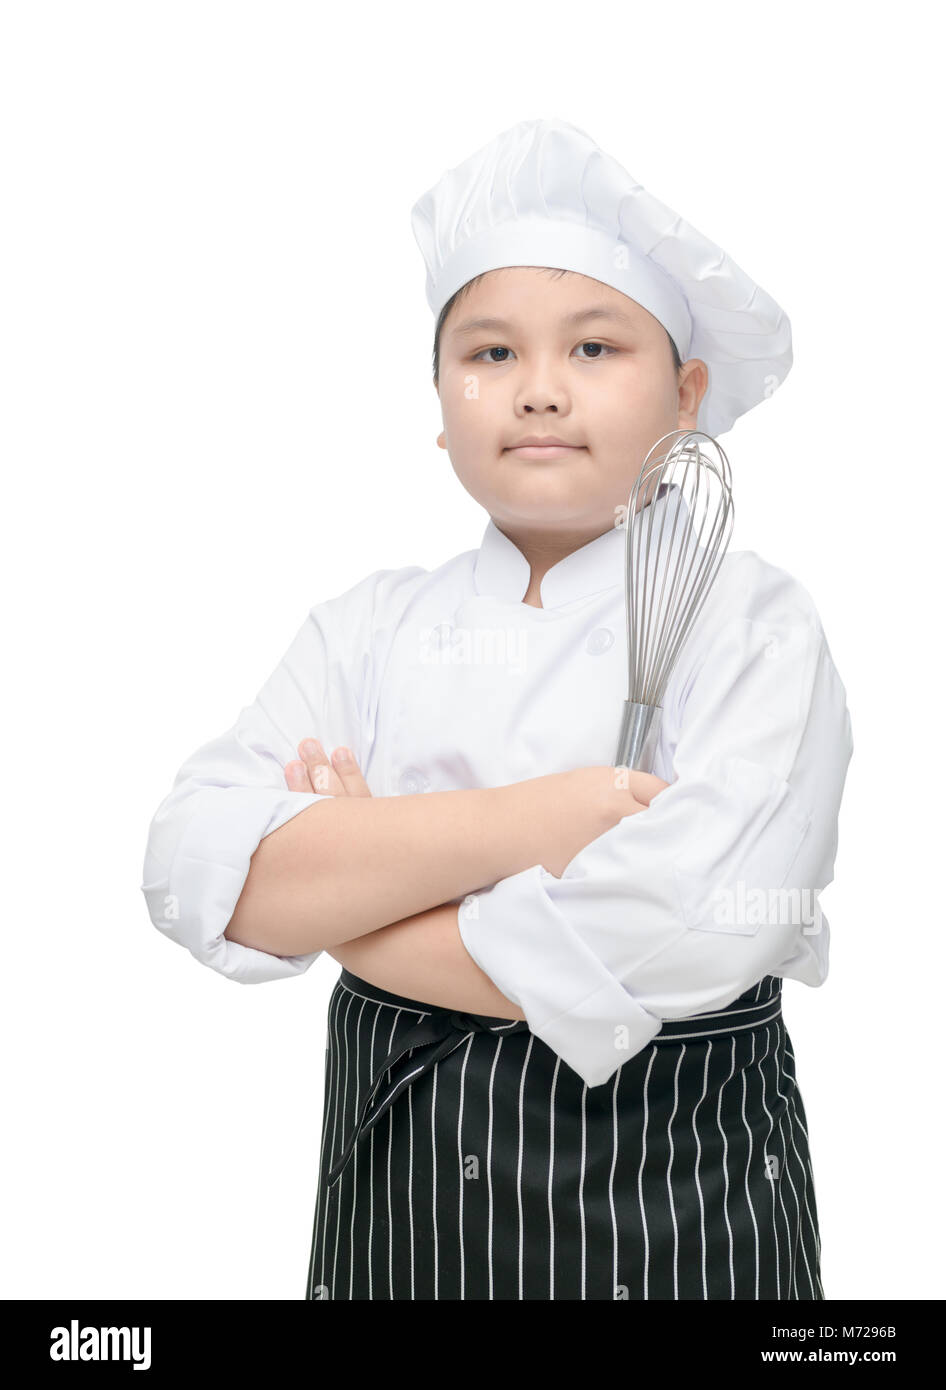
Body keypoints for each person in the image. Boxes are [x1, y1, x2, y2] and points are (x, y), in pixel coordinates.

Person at [140, 118, 853, 1301]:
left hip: (678, 1205)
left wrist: (354, 895)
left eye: (591, 347)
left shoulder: (752, 624)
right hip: (400, 1216)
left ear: (685, 394)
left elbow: (682, 935)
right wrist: (540, 820)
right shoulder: (365, 625)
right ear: (437, 402)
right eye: (487, 355)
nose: (536, 390)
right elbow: (188, 864)